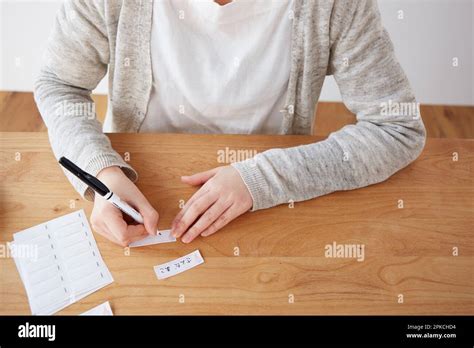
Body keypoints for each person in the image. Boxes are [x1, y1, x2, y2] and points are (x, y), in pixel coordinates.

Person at [34, 0, 426, 247]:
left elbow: (397, 128)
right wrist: (101, 173)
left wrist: (264, 178)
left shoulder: (336, 6)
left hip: (270, 200)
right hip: (142, 181)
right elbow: (59, 84)